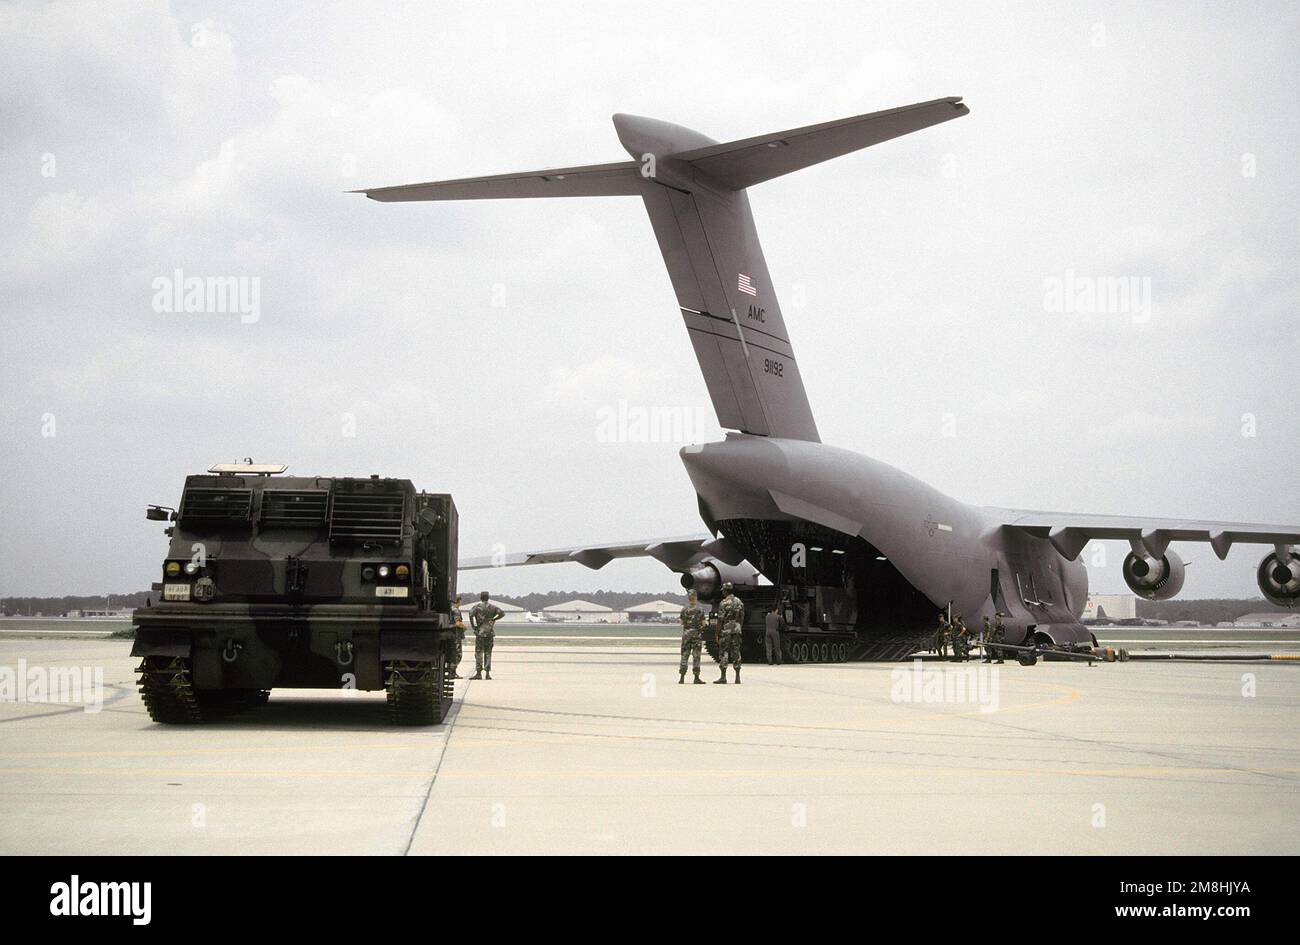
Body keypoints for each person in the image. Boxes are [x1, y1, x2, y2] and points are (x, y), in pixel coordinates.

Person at [469, 591, 505, 680]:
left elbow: (470, 615)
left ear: (481, 598)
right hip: (489, 632)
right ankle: (487, 673)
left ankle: (478, 673)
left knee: (479, 652)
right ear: (488, 598)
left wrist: (474, 626)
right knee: (488, 652)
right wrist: (494, 619)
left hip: (480, 632)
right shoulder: (493, 607)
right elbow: (502, 613)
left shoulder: (477, 607)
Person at [714, 582, 745, 684]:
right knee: (736, 652)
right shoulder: (739, 602)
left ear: (725, 591)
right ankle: (737, 677)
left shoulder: (723, 603)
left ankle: (723, 677)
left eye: (723, 590)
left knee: (724, 652)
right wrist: (738, 627)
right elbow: (742, 617)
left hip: (726, 630)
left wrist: (717, 633)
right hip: (736, 630)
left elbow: (720, 620)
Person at [678, 591, 707, 684]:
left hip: (686, 635)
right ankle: (696, 677)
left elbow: (681, 622)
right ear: (696, 597)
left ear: (689, 598)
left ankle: (682, 677)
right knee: (696, 656)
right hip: (696, 635)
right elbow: (704, 623)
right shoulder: (700, 609)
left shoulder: (684, 609)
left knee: (684, 655)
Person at [449, 595, 466, 679]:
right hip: (456, 635)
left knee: (453, 653)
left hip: (452, 634)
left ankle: (452, 672)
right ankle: (452, 672)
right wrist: (464, 627)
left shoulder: (450, 609)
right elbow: (458, 623)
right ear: (458, 601)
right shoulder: (456, 610)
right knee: (457, 654)